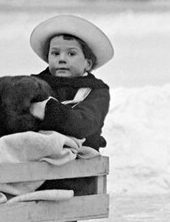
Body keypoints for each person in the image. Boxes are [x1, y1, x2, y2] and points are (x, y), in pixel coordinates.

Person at [27, 14, 114, 151]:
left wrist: (46, 110)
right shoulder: (34, 85)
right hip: (36, 153)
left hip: (78, 156)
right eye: (55, 53)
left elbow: (84, 124)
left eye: (71, 54)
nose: (62, 59)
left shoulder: (96, 91)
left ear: (88, 63)